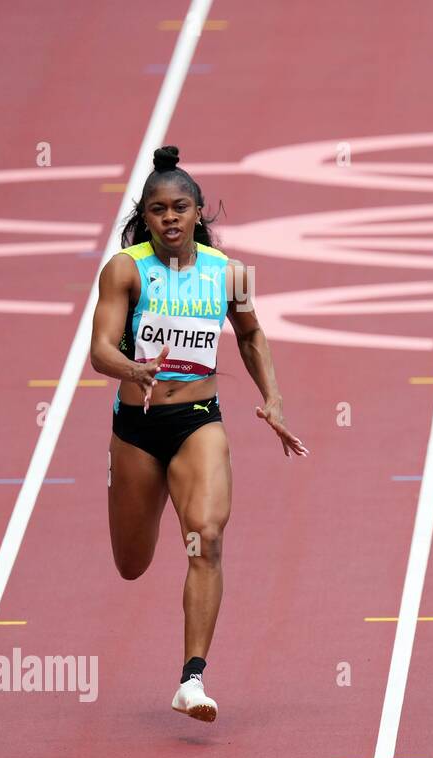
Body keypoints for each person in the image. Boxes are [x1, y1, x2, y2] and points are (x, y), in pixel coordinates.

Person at [89, 145, 307, 723]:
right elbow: (100, 351)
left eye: (180, 207)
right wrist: (135, 369)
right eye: (158, 209)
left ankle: (192, 678)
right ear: (146, 216)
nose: (169, 218)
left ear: (198, 212)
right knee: (131, 564)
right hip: (137, 429)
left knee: (205, 539)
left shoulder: (227, 273)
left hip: (197, 421)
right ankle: (131, 490)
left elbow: (251, 335)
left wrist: (274, 400)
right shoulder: (125, 269)